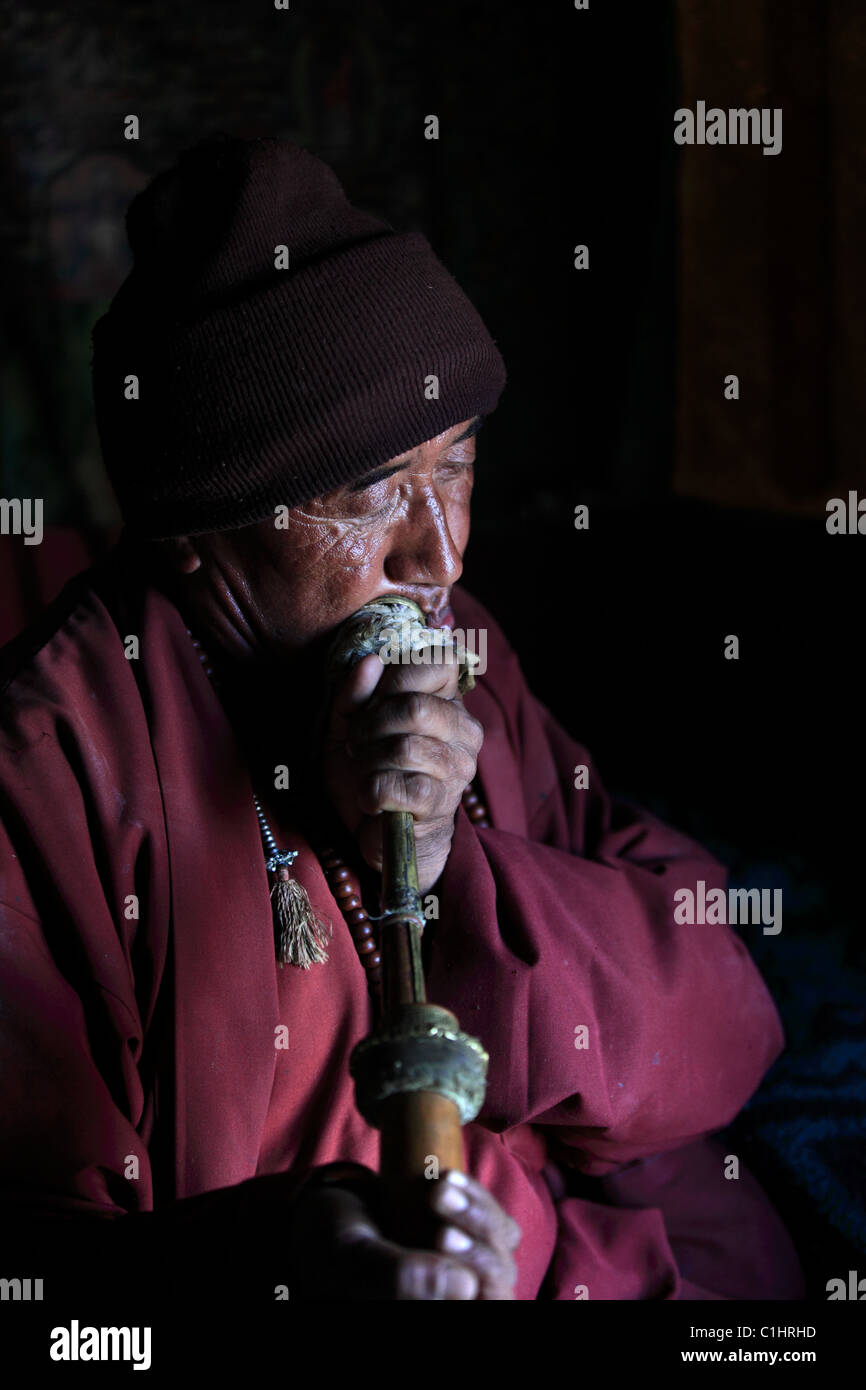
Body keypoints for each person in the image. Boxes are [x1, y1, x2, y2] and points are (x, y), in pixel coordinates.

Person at [0, 135, 804, 1302]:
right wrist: (276, 1260)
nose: (442, 550)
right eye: (369, 490)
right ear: (194, 526)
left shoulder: (455, 642)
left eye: (459, 464)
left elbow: (718, 1017)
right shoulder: (50, 767)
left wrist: (449, 868)